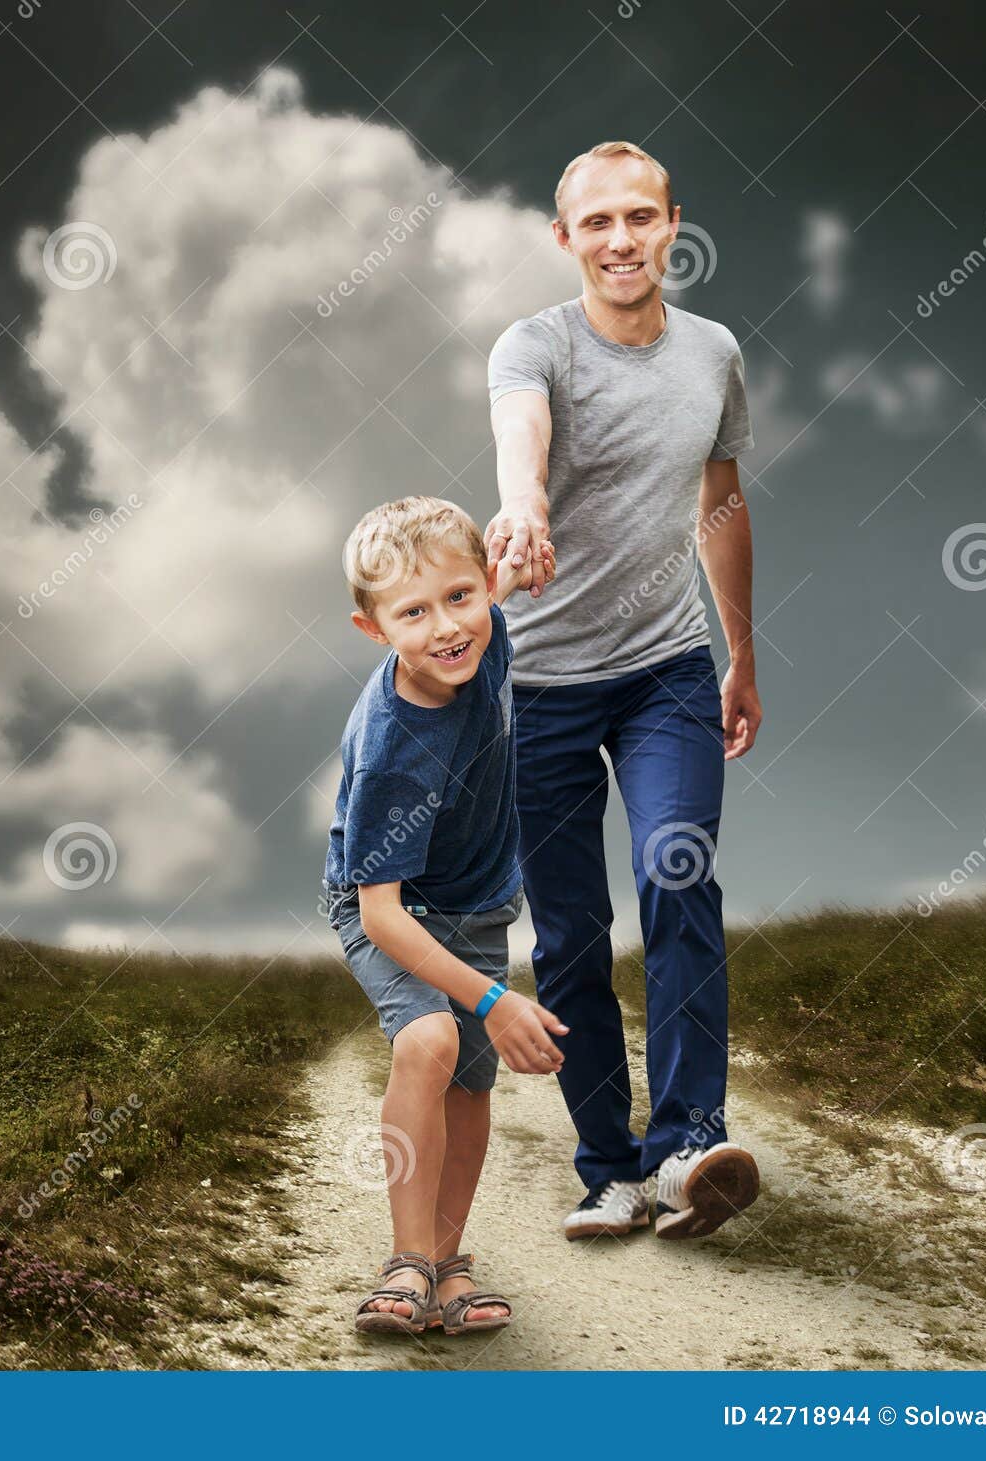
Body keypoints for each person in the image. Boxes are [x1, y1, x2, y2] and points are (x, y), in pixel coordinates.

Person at [485, 139, 762, 1242]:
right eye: (595, 222)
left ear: (671, 226)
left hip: (668, 672)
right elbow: (521, 433)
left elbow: (724, 501)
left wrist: (741, 653)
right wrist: (526, 508)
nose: (619, 239)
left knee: (675, 873)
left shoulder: (713, 354)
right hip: (541, 684)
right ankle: (611, 1168)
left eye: (638, 218)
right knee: (567, 932)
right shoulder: (532, 345)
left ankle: (691, 1142)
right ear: (565, 239)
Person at [322, 495, 560, 1335]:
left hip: (479, 902)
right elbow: (382, 916)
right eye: (413, 612)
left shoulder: (483, 639)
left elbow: (512, 567)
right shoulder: (391, 746)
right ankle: (408, 1259)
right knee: (433, 1039)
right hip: (390, 906)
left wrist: (521, 532)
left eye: (460, 596)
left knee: (470, 1084)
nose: (448, 627)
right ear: (374, 629)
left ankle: (452, 1262)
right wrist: (496, 1003)